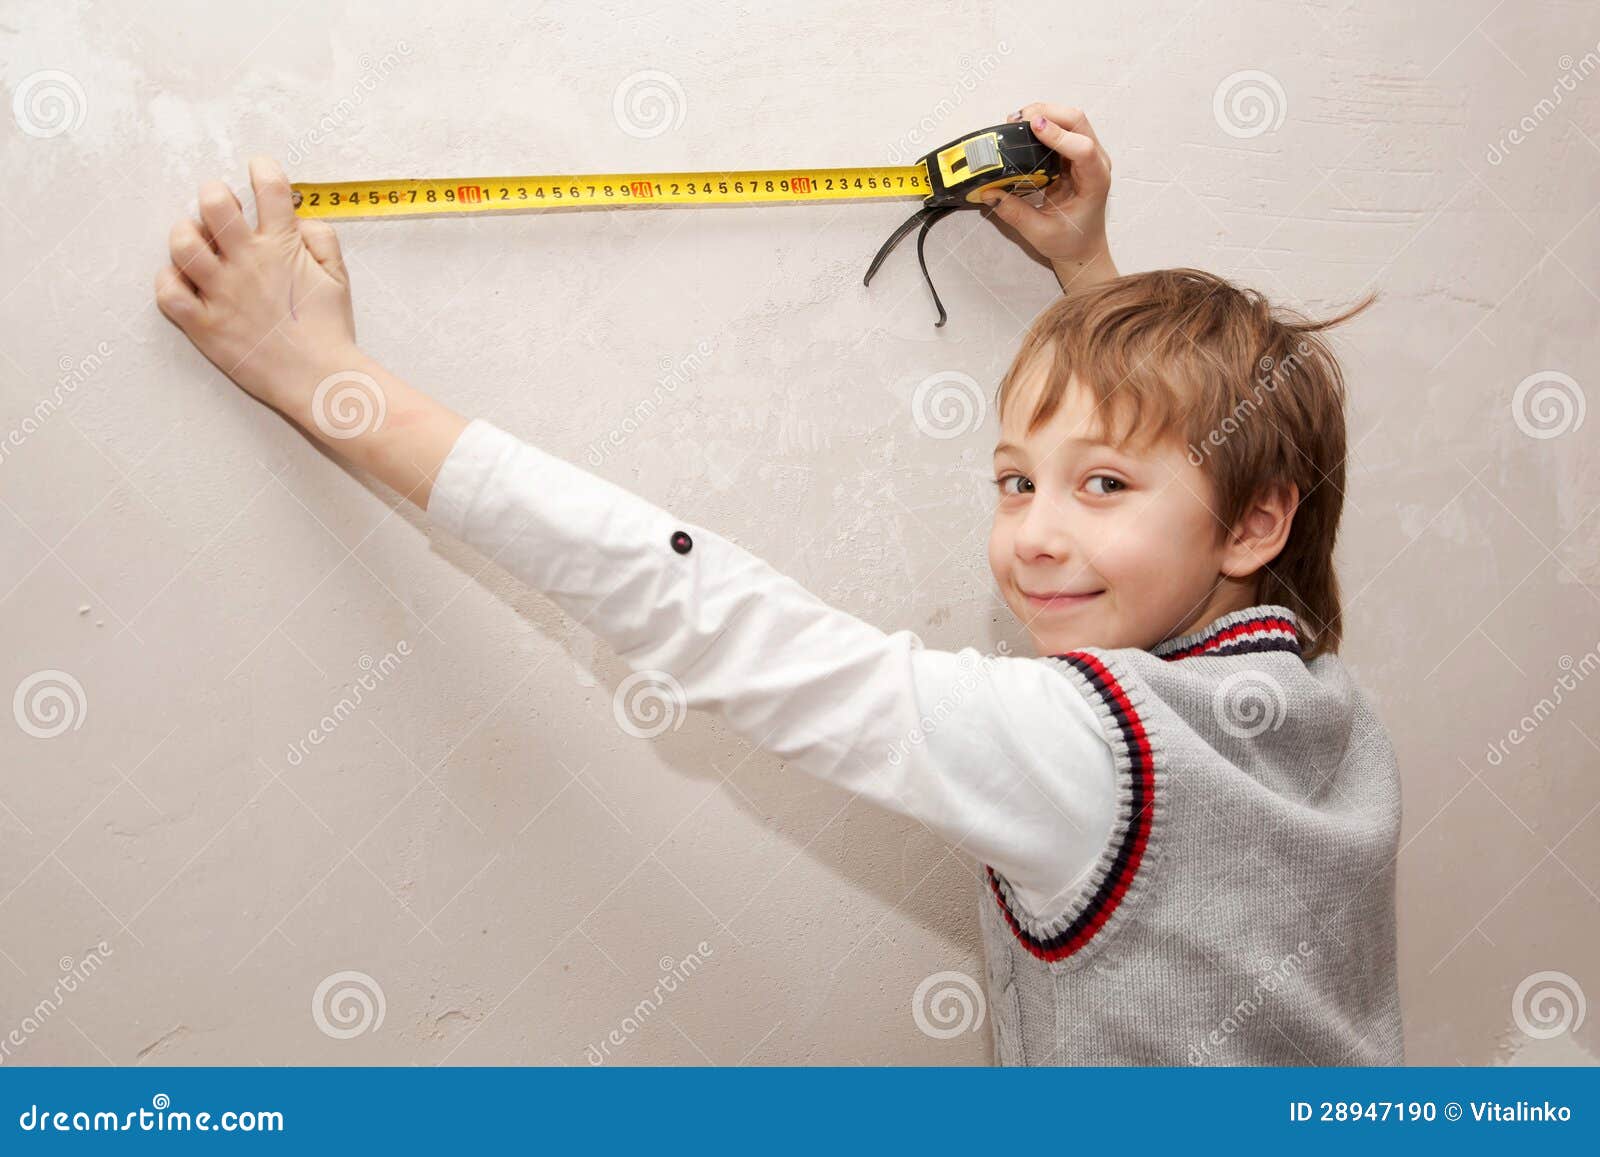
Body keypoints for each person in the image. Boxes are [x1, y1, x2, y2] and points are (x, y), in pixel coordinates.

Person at [154, 102, 1402, 1065]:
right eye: (1013, 480)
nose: (1031, 535)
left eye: (1100, 487)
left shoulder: (1088, 752)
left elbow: (705, 611)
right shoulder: (1311, 697)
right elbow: (1211, 479)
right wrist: (1094, 283)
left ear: (1252, 519)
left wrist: (325, 378)